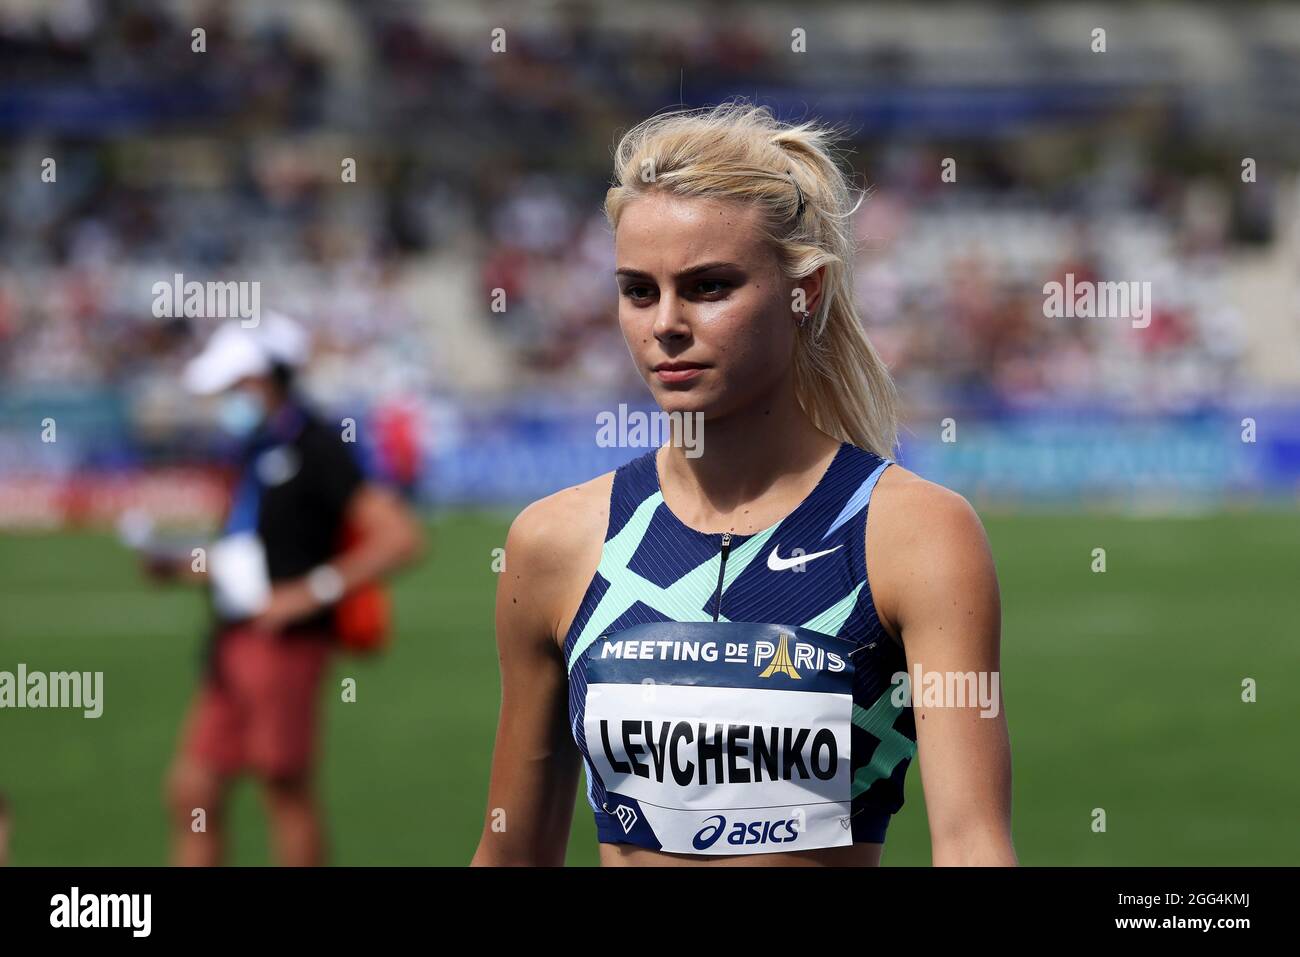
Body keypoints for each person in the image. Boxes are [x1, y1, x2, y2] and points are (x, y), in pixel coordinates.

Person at [472, 102, 1015, 866]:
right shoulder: (555, 541)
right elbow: (511, 853)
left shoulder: (915, 533)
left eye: (709, 286)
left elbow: (971, 844)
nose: (665, 322)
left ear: (807, 292)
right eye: (637, 290)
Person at [151, 313, 423, 866]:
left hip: (287, 642)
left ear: (262, 381)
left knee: (284, 789)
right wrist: (182, 565)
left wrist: (310, 592)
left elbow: (400, 537)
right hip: (233, 639)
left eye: (232, 386)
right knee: (194, 789)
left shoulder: (316, 444)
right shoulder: (256, 446)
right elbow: (252, 555)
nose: (225, 399)